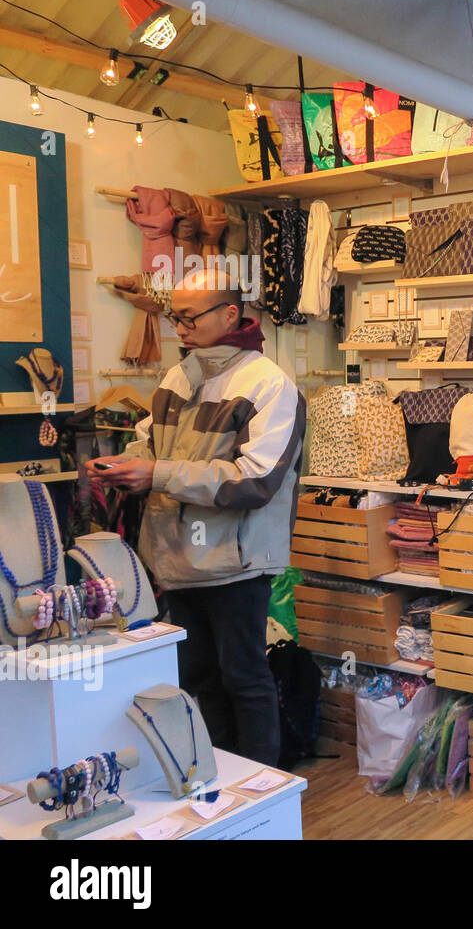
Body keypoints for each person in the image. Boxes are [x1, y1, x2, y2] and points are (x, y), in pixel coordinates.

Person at [86, 268, 306, 766]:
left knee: (245, 677)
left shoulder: (269, 384)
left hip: (235, 560)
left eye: (188, 317)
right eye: (173, 317)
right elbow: (150, 439)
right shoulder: (179, 375)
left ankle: (260, 793)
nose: (178, 328)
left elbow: (256, 480)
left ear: (231, 313)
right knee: (200, 676)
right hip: (175, 556)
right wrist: (125, 462)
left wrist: (157, 473)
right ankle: (220, 782)